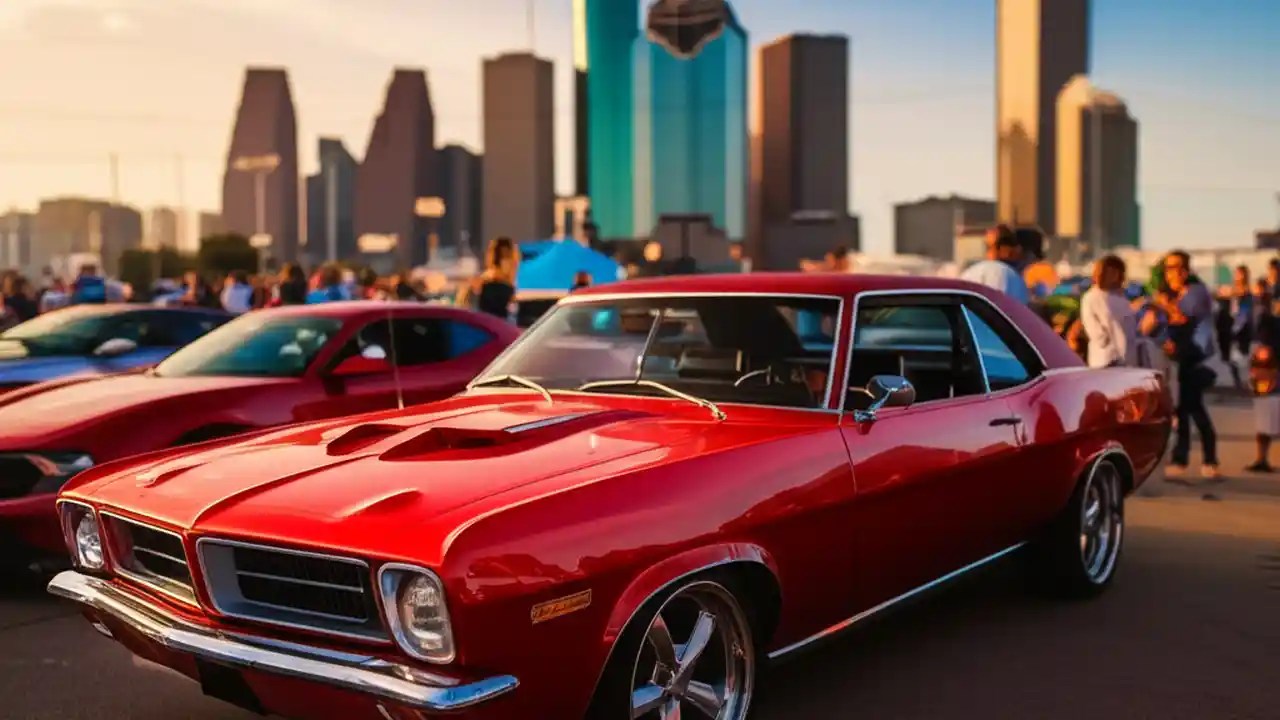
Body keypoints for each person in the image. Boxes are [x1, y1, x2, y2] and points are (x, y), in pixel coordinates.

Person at [1159, 251, 1219, 479]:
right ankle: (1183, 459)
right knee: (1183, 409)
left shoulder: (1195, 291)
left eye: (1174, 267)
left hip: (1195, 357)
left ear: (1185, 269)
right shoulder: (1177, 293)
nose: (1171, 273)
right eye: (1167, 268)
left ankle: (1208, 459)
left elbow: (1182, 317)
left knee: (1193, 408)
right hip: (1182, 359)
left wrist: (1163, 306)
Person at [1079, 254, 1136, 368]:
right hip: (1104, 360)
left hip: (1126, 360)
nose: (1100, 275)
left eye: (1107, 272)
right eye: (1099, 271)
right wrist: (1104, 341)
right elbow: (1091, 325)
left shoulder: (1122, 299)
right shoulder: (1091, 297)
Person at [1247, 281, 1280, 472]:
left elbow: (1264, 351)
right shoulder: (1266, 319)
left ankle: (1262, 458)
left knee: (1267, 414)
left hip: (1270, 372)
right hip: (1268, 372)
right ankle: (1261, 459)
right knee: (1265, 415)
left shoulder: (1267, 321)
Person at [960, 225, 1029, 302]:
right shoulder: (984, 273)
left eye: (990, 247)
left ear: (1005, 248)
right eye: (987, 247)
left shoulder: (1026, 273)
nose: (988, 253)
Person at [1215, 265, 1253, 388]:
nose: (1238, 276)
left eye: (1240, 274)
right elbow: (1219, 294)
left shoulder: (1247, 291)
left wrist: (1232, 293)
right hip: (1229, 325)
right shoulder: (1231, 289)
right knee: (1230, 356)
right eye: (1236, 274)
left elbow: (1246, 306)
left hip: (1242, 326)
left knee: (1242, 354)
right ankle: (1237, 379)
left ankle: (1244, 379)